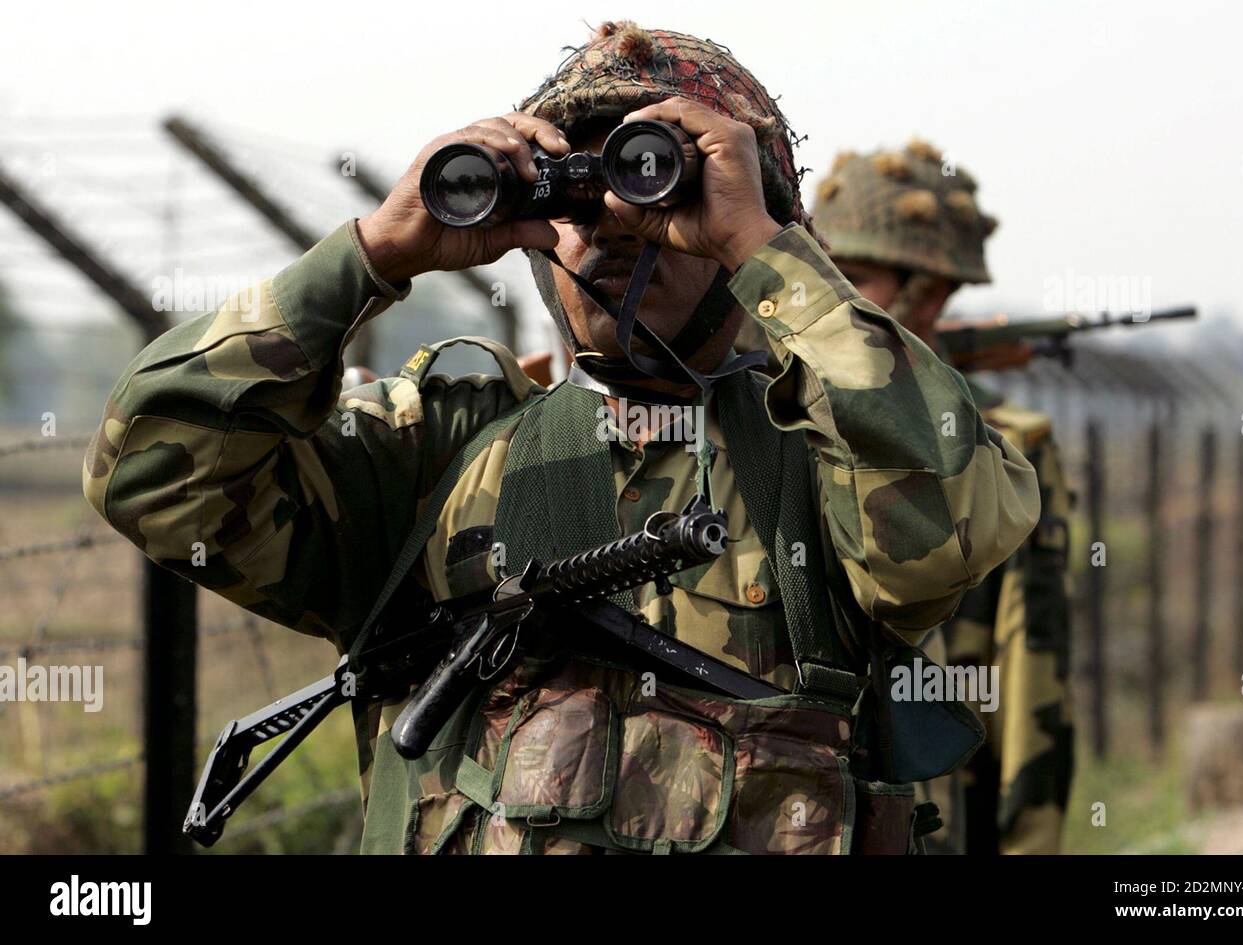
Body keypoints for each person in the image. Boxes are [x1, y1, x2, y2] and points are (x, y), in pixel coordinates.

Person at [83, 24, 1038, 855]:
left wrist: (766, 254)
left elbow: (951, 521)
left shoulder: (824, 459)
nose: (606, 230)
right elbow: (153, 469)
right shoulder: (438, 451)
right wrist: (375, 252)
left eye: (655, 183)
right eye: (570, 197)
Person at [809, 142, 1075, 853]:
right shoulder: (783, 412)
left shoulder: (1003, 448)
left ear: (925, 293)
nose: (827, 295)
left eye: (852, 278)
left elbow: (1032, 685)